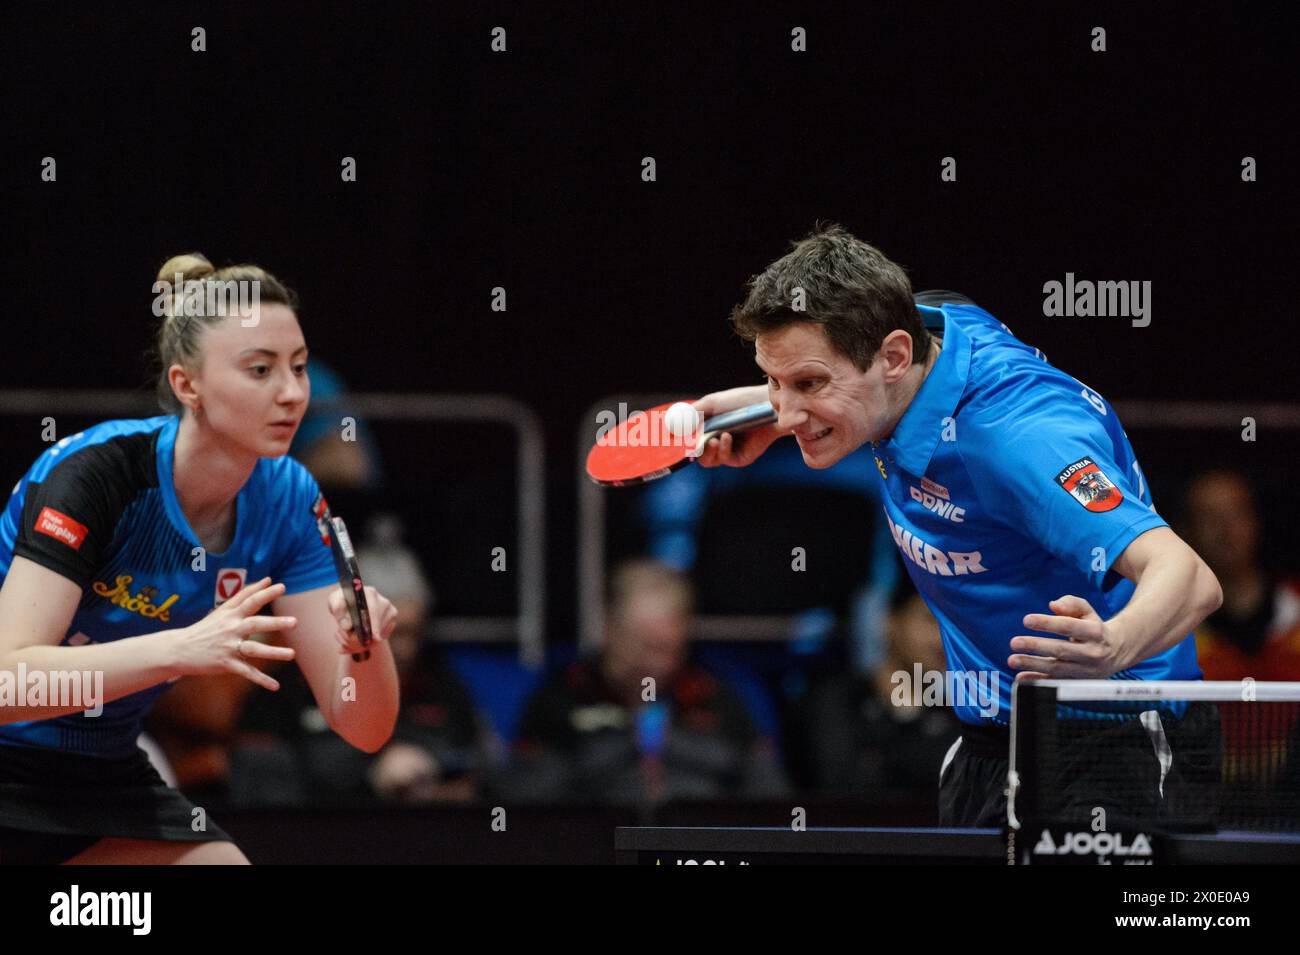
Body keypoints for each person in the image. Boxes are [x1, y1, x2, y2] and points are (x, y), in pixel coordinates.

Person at [692, 223, 1223, 828]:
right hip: (991, 743)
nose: (784, 406)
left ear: (893, 357)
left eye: (807, 383)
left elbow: (1189, 574)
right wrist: (761, 411)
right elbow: (848, 365)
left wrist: (1116, 644)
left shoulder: (1019, 442)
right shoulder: (925, 325)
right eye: (773, 379)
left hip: (1116, 737)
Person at [0, 253, 400, 864]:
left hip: (100, 772)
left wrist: (365, 648)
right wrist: (178, 650)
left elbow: (364, 728)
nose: (293, 393)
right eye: (259, 370)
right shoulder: (94, 480)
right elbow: (7, 687)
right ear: (189, 386)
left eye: (298, 368)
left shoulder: (290, 500)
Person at [507, 560, 787, 804]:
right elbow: (524, 799)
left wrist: (676, 746)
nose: (656, 663)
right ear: (610, 630)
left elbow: (769, 797)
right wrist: (629, 745)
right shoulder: (564, 696)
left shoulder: (713, 694)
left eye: (667, 649)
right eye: (644, 646)